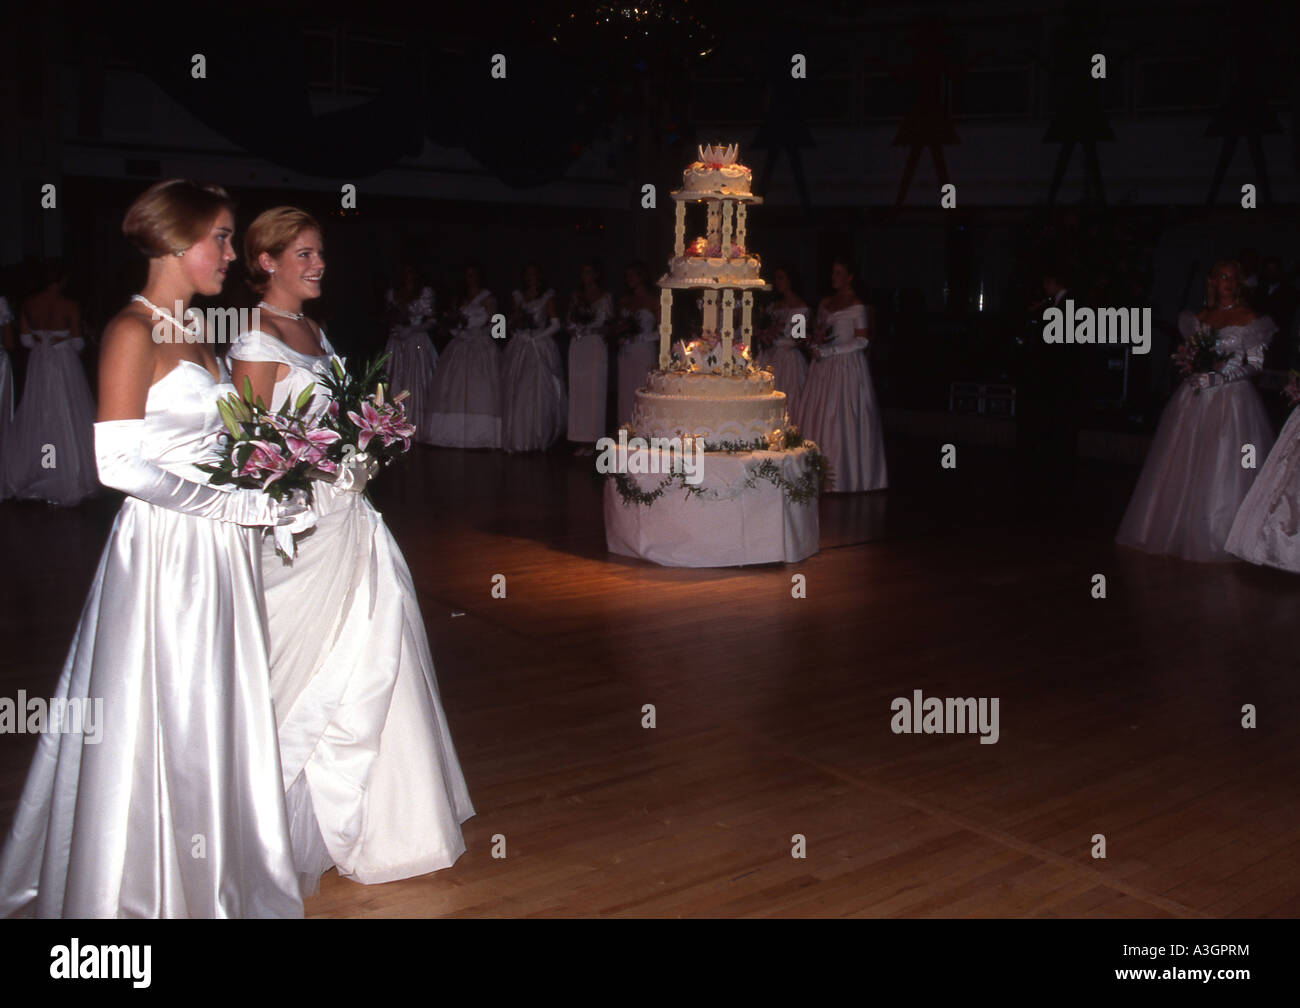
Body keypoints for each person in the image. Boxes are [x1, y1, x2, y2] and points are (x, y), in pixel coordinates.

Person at [0, 180, 309, 917]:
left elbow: (217, 441)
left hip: (218, 548)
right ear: (177, 241)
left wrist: (276, 477)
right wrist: (229, 500)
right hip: (168, 549)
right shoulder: (132, 332)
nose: (233, 255)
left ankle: (213, 871)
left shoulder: (197, 332)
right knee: (165, 701)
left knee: (215, 704)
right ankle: (139, 884)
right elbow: (118, 465)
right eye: (223, 238)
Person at [229, 207, 474, 893]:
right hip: (302, 531)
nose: (317, 264)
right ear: (266, 261)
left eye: (320, 253)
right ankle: (263, 820)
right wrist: (325, 463)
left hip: (352, 519)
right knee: (300, 672)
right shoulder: (254, 339)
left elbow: (329, 415)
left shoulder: (311, 329)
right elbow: (251, 453)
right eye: (303, 254)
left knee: (380, 643)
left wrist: (370, 433)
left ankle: (390, 821)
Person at [1116, 260, 1276, 562]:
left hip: (1232, 399)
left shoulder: (1249, 318)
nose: (1227, 282)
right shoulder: (1198, 318)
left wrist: (1222, 376)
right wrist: (1191, 369)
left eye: (1232, 276)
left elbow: (1256, 365)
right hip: (1195, 397)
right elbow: (1191, 355)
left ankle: (1224, 534)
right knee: (1184, 461)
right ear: (1212, 282)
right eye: (1222, 276)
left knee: (1224, 464)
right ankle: (1180, 528)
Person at [4, 260, 98, 504]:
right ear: (62, 280)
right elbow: (77, 343)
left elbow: (24, 341)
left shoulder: (29, 304)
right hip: (64, 366)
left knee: (42, 416)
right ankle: (61, 472)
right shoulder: (70, 305)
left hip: (40, 365)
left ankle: (47, 469)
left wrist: (42, 342)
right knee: (64, 414)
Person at [798, 258, 887, 492]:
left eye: (839, 272)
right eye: (832, 272)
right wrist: (813, 345)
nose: (833, 277)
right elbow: (819, 331)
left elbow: (863, 339)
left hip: (846, 367)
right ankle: (814, 471)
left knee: (840, 417)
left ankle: (846, 476)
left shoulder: (857, 305)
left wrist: (832, 350)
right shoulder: (826, 303)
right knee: (819, 415)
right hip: (823, 367)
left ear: (850, 276)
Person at [425, 263, 500, 448]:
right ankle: (454, 433)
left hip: (480, 345)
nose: (471, 278)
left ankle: (481, 435)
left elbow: (497, 327)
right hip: (460, 345)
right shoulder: (460, 299)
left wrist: (478, 333)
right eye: (468, 274)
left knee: (479, 390)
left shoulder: (488, 297)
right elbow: (452, 321)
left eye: (474, 274)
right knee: (453, 390)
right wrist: (457, 331)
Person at [501, 263, 566, 451]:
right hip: (521, 344)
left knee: (537, 390)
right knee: (518, 389)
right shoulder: (519, 296)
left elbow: (555, 324)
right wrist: (516, 328)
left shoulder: (548, 297)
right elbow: (512, 319)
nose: (531, 277)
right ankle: (519, 437)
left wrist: (535, 337)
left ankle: (538, 436)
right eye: (527, 274)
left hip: (539, 344)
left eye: (534, 273)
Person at [383, 264, 438, 444]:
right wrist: (396, 325)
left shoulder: (424, 293)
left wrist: (413, 328)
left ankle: (416, 426)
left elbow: (432, 321)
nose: (409, 277)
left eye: (411, 273)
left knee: (417, 382)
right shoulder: (394, 293)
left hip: (417, 341)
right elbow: (389, 316)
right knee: (395, 379)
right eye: (405, 273)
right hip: (398, 342)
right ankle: (392, 428)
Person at [566, 260, 612, 451]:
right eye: (583, 272)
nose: (585, 276)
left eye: (589, 271)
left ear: (596, 274)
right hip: (578, 344)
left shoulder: (605, 297)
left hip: (595, 345)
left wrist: (594, 327)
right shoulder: (576, 297)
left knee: (594, 390)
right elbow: (567, 323)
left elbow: (610, 324)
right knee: (578, 390)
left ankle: (594, 439)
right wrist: (576, 327)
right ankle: (579, 438)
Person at [757, 265, 810, 423]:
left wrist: (776, 339)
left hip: (788, 360)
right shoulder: (773, 307)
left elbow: (798, 339)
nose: (777, 282)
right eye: (776, 278)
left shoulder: (800, 308)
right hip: (769, 356)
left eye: (781, 278)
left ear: (790, 280)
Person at [614, 262, 658, 427]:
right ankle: (626, 426)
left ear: (642, 276)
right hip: (626, 350)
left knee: (641, 386)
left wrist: (643, 337)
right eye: (627, 276)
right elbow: (618, 325)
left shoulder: (654, 300)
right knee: (626, 390)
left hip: (644, 349)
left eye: (632, 275)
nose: (629, 279)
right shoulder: (625, 300)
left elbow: (664, 330)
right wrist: (621, 333)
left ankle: (643, 427)